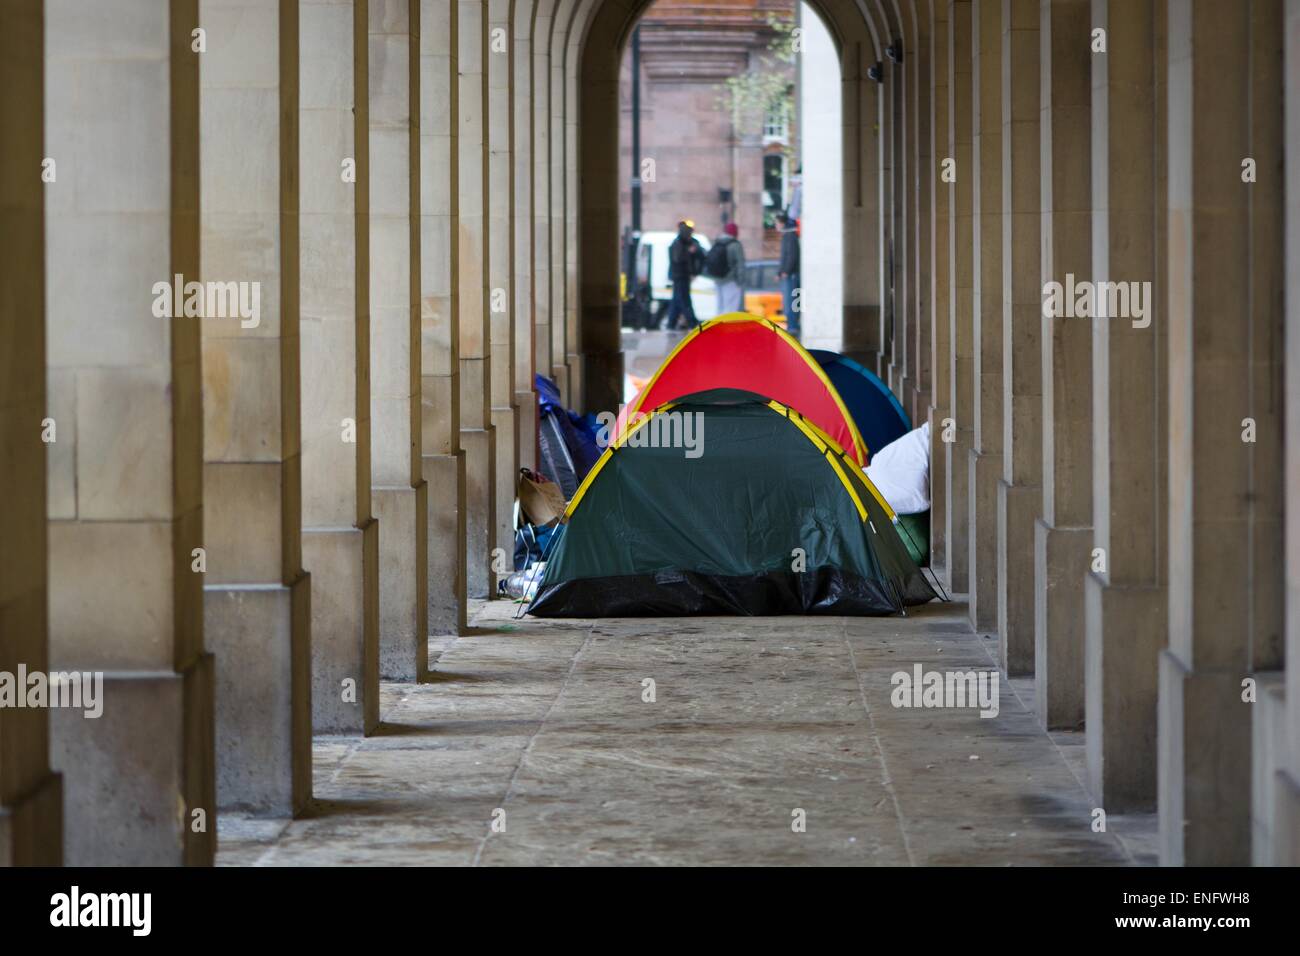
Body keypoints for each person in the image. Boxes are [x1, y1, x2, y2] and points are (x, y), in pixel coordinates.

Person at [665, 219, 703, 330]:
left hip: (681, 275)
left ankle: (671, 323)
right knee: (683, 299)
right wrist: (689, 251)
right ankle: (692, 322)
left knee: (677, 300)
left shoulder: (687, 242)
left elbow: (700, 254)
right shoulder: (678, 244)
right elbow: (678, 258)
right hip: (680, 275)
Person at [710, 222, 745, 314]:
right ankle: (728, 328)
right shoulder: (735, 245)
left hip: (717, 280)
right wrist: (740, 281)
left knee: (719, 307)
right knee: (730, 309)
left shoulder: (717, 242)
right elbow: (740, 264)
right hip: (731, 280)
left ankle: (719, 327)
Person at [777, 213, 801, 338]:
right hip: (789, 274)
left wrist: (785, 271)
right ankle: (792, 325)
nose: (776, 225)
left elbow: (791, 256)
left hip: (791, 275)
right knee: (791, 301)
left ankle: (793, 326)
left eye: (777, 223)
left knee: (791, 301)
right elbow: (785, 257)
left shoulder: (789, 236)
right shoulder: (788, 235)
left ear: (782, 223)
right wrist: (780, 272)